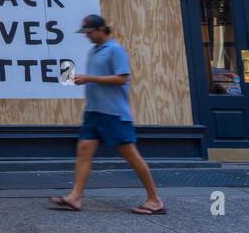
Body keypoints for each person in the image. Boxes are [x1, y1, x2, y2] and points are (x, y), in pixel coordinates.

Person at [50, 14, 165, 215]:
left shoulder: (115, 50)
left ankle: (154, 199)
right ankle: (75, 198)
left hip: (114, 114)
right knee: (84, 151)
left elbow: (122, 79)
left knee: (130, 155)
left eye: (89, 32)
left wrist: (89, 78)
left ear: (101, 29)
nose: (86, 36)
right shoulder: (94, 51)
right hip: (94, 112)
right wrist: (85, 80)